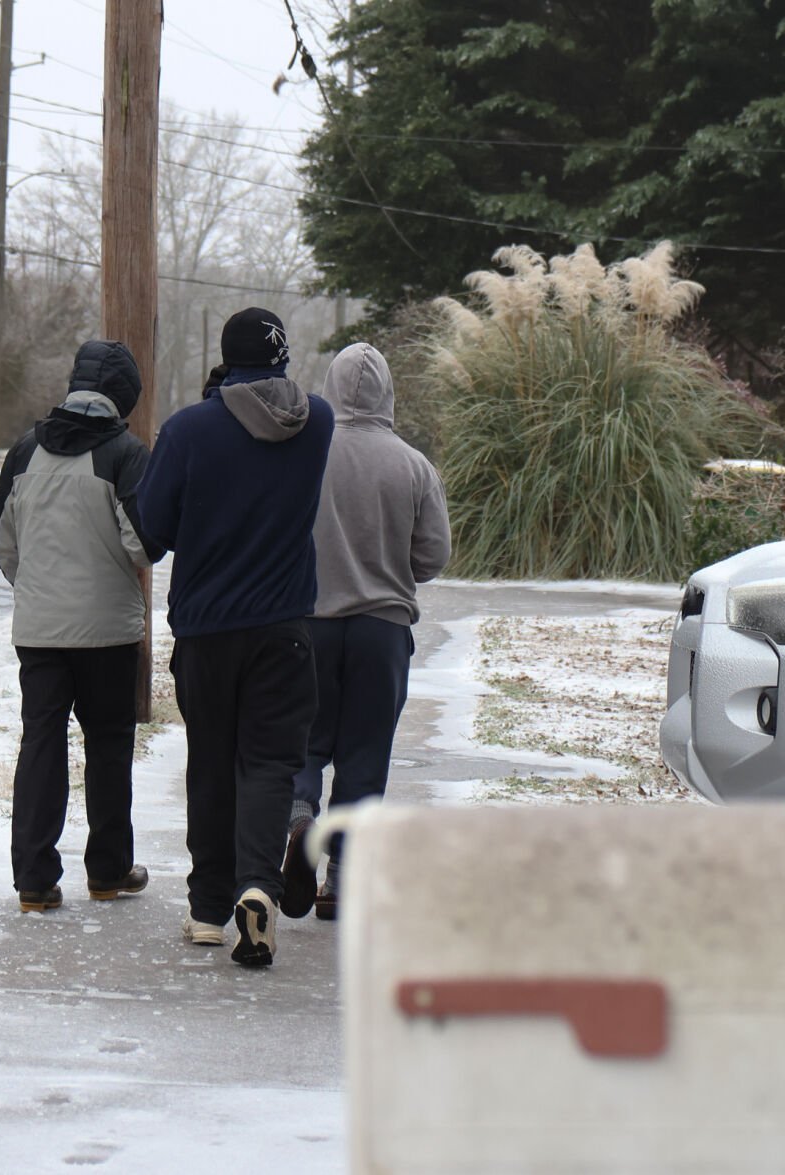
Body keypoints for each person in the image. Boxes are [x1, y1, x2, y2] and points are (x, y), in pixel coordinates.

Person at [136, 308, 334, 967]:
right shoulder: (317, 422)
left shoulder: (188, 430)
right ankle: (258, 886)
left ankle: (205, 909)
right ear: (283, 357)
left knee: (212, 764)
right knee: (270, 764)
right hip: (285, 629)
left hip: (206, 630)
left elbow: (152, 530)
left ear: (225, 359)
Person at [0, 339, 164, 914]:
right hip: (108, 632)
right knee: (108, 746)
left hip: (39, 631)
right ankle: (108, 872)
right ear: (124, 397)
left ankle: (34, 880)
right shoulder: (126, 454)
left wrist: (36, 587)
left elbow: (2, 541)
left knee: (40, 741)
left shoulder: (24, 451)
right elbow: (142, 545)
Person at [281, 342, 451, 922]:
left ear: (328, 385)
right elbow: (432, 557)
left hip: (310, 622)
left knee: (302, 741)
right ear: (388, 393)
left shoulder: (304, 453)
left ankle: (299, 816)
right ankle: (340, 880)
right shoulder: (413, 465)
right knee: (364, 756)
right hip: (382, 631)